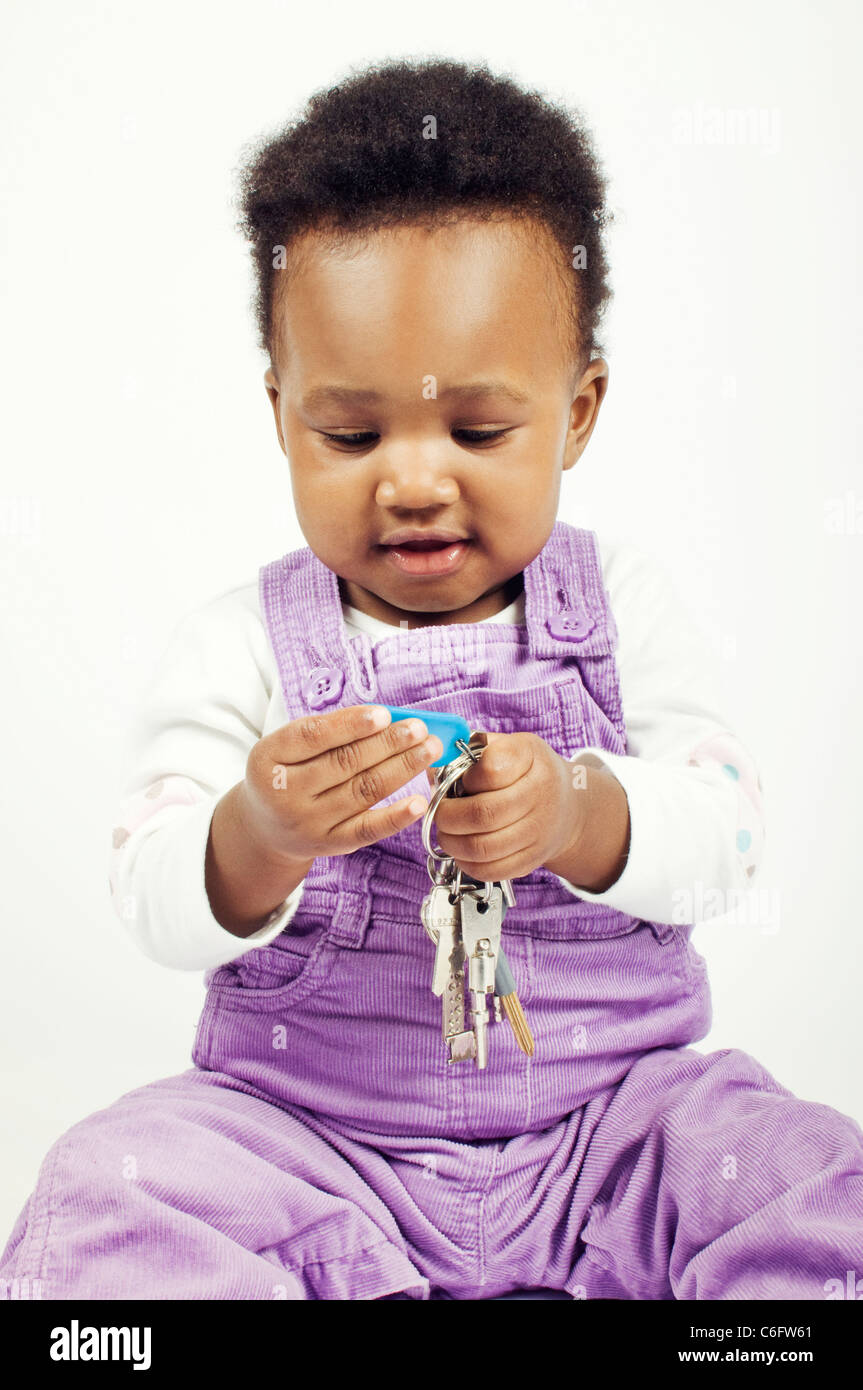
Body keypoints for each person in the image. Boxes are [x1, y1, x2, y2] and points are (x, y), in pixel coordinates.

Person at [3, 58, 861, 1301]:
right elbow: (150, 885)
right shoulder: (240, 641)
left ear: (576, 413)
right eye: (350, 435)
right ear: (281, 415)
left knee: (798, 1172)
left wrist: (582, 809)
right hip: (311, 1143)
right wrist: (256, 832)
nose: (410, 480)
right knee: (106, 1189)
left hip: (610, 1131)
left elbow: (727, 833)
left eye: (475, 429)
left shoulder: (622, 609)